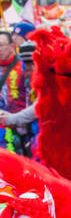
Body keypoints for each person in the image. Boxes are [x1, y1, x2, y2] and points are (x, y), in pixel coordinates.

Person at [0, 27, 33, 155]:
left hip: (21, 128)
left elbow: (33, 98)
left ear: (12, 46)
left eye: (1, 45)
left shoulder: (25, 66)